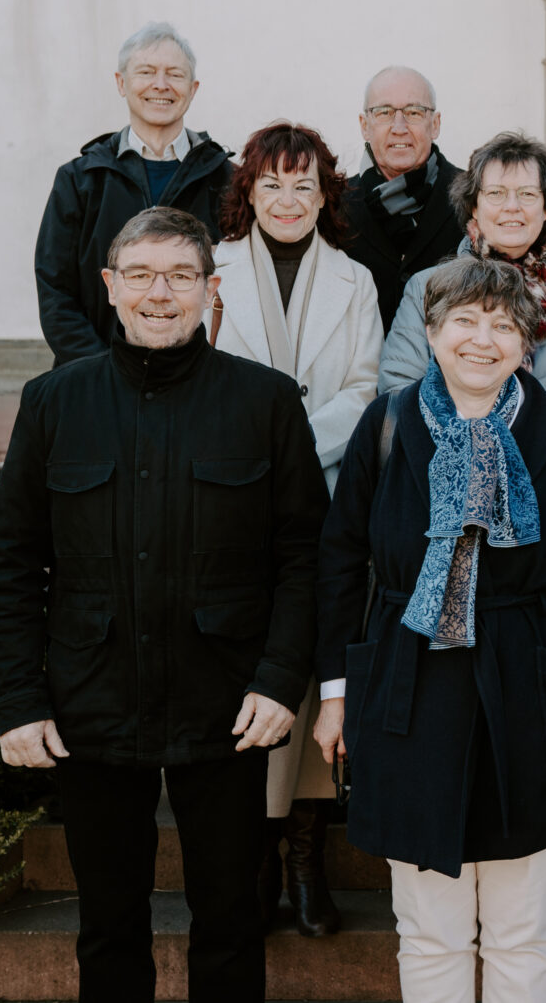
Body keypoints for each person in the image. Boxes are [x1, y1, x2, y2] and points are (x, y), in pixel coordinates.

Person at [0, 206, 327, 1003]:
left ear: (213, 289)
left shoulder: (268, 403)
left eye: (180, 275)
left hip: (230, 708)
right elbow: (9, 566)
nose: (159, 293)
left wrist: (280, 680)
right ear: (109, 287)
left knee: (233, 921)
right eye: (139, 274)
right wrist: (18, 700)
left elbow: (305, 557)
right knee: (107, 927)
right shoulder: (52, 402)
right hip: (90, 706)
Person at [311, 255, 546, 1003]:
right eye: (464, 320)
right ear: (431, 331)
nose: (482, 339)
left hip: (533, 693)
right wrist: (335, 692)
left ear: (527, 340)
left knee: (524, 929)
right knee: (429, 930)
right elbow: (337, 561)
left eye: (502, 323)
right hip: (407, 689)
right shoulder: (387, 425)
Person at [209, 122, 384, 937]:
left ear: (326, 196)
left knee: (316, 666)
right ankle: (254, 864)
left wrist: (290, 443)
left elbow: (365, 385)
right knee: (249, 663)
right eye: (273, 185)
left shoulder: (353, 280)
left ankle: (306, 865)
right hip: (230, 496)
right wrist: (256, 449)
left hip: (322, 489)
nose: (288, 200)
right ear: (249, 191)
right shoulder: (209, 268)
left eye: (305, 186)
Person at [380, 132, 546, 466]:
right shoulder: (425, 288)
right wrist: (470, 465)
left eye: (527, 194)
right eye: (496, 193)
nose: (512, 207)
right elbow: (400, 388)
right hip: (450, 488)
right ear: (474, 205)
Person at [35, 22, 232, 365]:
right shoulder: (79, 180)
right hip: (95, 378)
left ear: (193, 88)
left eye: (175, 74)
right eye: (146, 72)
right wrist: (102, 372)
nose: (161, 85)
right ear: (121, 83)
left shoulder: (226, 179)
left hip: (195, 382)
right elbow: (56, 292)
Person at [342, 66, 467, 330]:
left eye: (413, 112)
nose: (399, 128)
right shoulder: (334, 205)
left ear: (435, 124)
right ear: (365, 126)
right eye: (384, 113)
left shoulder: (472, 197)